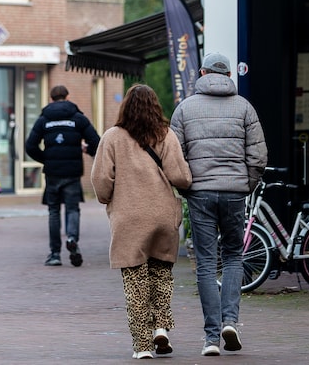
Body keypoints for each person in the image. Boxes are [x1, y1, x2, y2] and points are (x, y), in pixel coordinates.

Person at [169, 52, 267, 356]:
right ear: (229, 76)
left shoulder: (184, 109)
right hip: (235, 192)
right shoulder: (244, 107)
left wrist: (186, 187)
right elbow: (258, 156)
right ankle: (230, 322)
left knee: (206, 263)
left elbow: (174, 156)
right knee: (234, 256)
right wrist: (245, 185)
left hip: (200, 193)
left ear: (202, 73)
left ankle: (211, 337)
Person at [91, 84, 193, 359]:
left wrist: (107, 198)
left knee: (136, 283)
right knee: (162, 275)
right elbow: (181, 177)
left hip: (129, 218)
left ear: (125, 107)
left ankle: (142, 345)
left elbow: (101, 180)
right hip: (162, 214)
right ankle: (160, 327)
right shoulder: (166, 134)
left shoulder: (112, 137)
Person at [25, 84, 101, 267]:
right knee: (72, 208)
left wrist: (47, 159)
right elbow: (97, 141)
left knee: (53, 211)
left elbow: (30, 146)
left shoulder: (44, 119)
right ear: (67, 97)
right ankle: (72, 238)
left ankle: (55, 254)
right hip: (72, 172)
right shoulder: (78, 118)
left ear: (51, 99)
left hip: (52, 173)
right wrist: (87, 150)